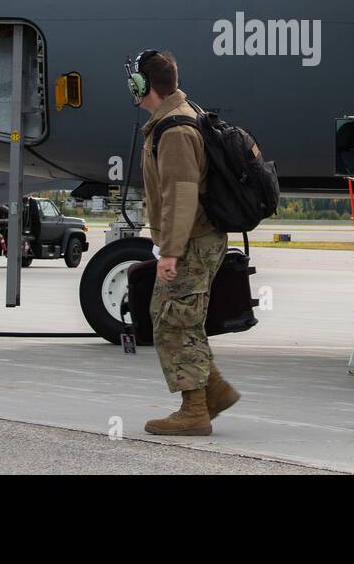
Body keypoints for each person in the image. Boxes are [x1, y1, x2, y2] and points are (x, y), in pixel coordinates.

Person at [128, 49, 239, 435]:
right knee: (176, 317)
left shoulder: (174, 130)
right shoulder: (178, 116)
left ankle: (195, 412)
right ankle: (214, 391)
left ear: (143, 85)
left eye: (134, 80)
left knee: (175, 324)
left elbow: (181, 194)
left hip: (191, 242)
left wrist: (170, 251)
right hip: (194, 239)